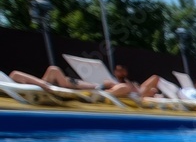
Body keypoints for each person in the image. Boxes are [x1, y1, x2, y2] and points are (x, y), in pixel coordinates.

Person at [10, 63, 159, 99]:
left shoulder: (48, 80)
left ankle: (109, 90)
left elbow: (15, 75)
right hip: (96, 89)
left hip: (94, 86)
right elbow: (15, 74)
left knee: (53, 69)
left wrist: (42, 83)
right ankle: (107, 92)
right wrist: (42, 84)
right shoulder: (50, 83)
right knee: (54, 69)